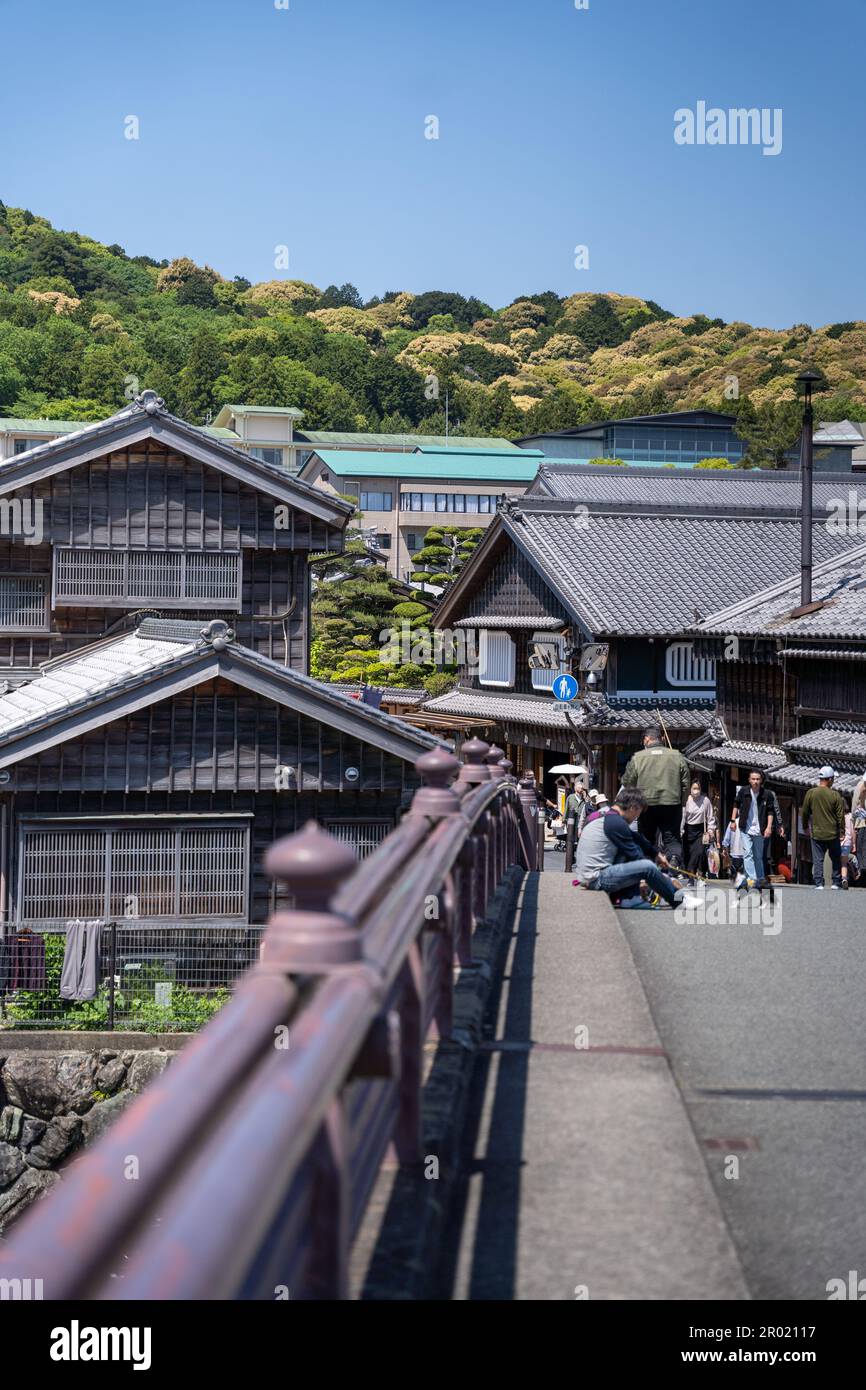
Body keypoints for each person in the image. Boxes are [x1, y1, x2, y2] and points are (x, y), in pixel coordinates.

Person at [574, 786, 702, 910]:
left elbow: (635, 837)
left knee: (633, 855)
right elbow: (636, 857)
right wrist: (663, 875)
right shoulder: (615, 822)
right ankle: (679, 900)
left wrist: (656, 854)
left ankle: (629, 898)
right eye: (639, 812)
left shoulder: (609, 816)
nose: (637, 817)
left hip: (589, 876)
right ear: (632, 808)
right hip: (596, 878)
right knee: (646, 866)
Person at [620, 726, 690, 865]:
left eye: (644, 739)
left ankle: (647, 862)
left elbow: (627, 782)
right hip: (671, 802)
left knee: (646, 837)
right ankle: (674, 857)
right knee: (672, 838)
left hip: (646, 804)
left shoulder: (638, 757)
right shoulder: (677, 756)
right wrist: (679, 795)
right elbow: (686, 782)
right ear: (661, 738)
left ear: (647, 739)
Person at [802, 767, 846, 890]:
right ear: (830, 779)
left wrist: (805, 826)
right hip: (833, 833)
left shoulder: (811, 793)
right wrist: (842, 831)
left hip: (817, 832)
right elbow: (840, 816)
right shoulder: (835, 795)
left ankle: (819, 883)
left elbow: (805, 812)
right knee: (836, 858)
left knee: (818, 859)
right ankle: (836, 882)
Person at [729, 770, 774, 891]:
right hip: (745, 828)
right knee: (748, 853)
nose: (755, 782)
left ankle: (760, 879)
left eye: (758, 779)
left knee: (758, 856)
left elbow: (770, 811)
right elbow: (736, 804)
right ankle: (753, 879)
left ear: (761, 780)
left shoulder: (767, 794)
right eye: (753, 779)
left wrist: (769, 827)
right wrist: (733, 821)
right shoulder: (744, 791)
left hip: (760, 828)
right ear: (749, 780)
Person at [681, 779, 717, 875]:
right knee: (687, 854)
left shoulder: (705, 801)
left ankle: (696, 872)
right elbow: (683, 817)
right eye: (694, 788)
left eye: (698, 788)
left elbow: (710, 817)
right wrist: (680, 830)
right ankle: (690, 875)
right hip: (687, 830)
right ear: (690, 789)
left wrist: (710, 830)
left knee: (698, 852)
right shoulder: (686, 800)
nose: (696, 791)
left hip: (700, 831)